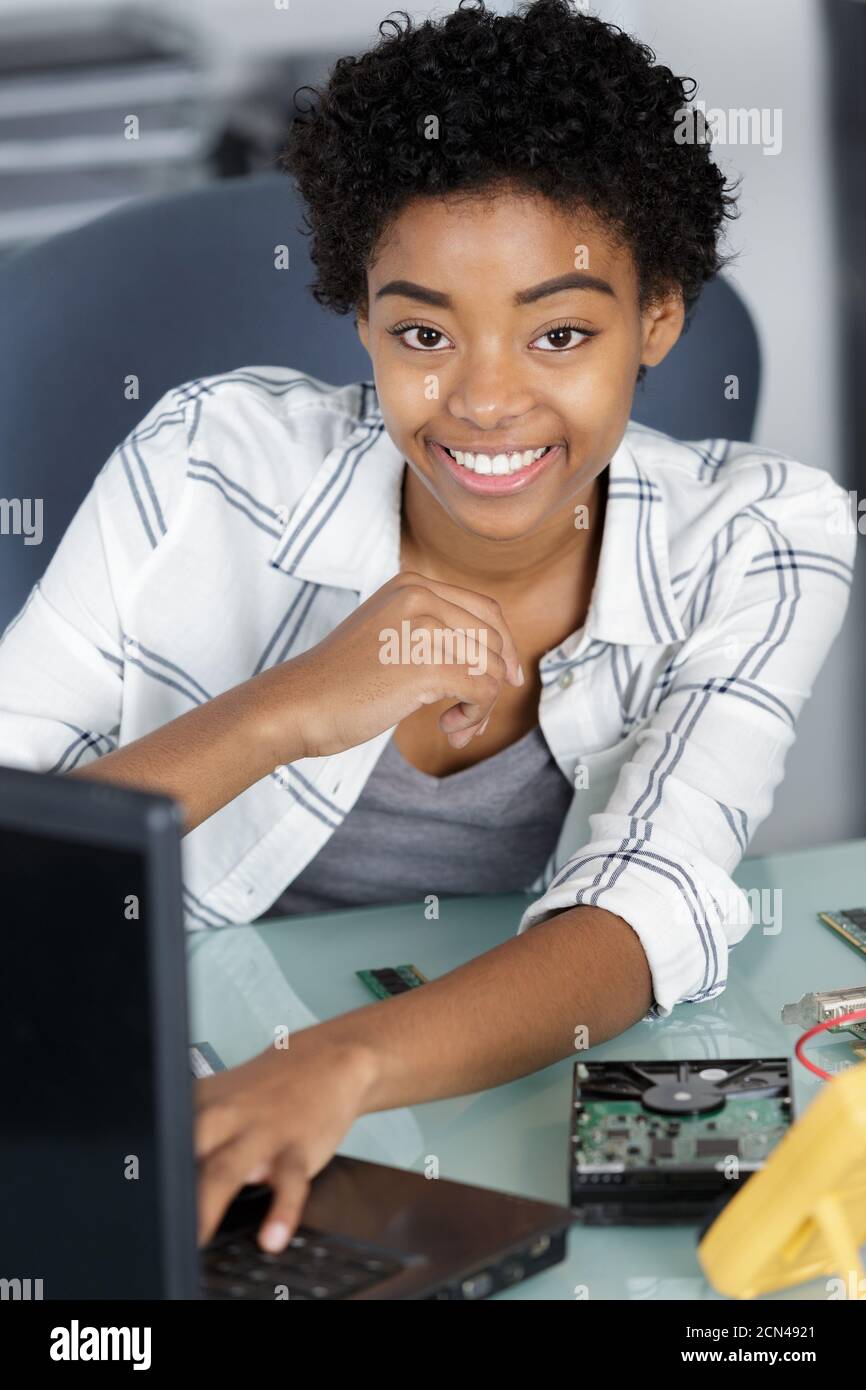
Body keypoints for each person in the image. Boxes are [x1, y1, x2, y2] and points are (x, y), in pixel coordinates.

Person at [0, 0, 854, 1253]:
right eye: (421, 332)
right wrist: (289, 706)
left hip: (472, 1087)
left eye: (559, 332)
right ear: (360, 321)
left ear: (658, 317)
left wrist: (333, 1066)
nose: (486, 399)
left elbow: (646, 904)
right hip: (179, 1062)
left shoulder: (762, 535)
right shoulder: (205, 461)